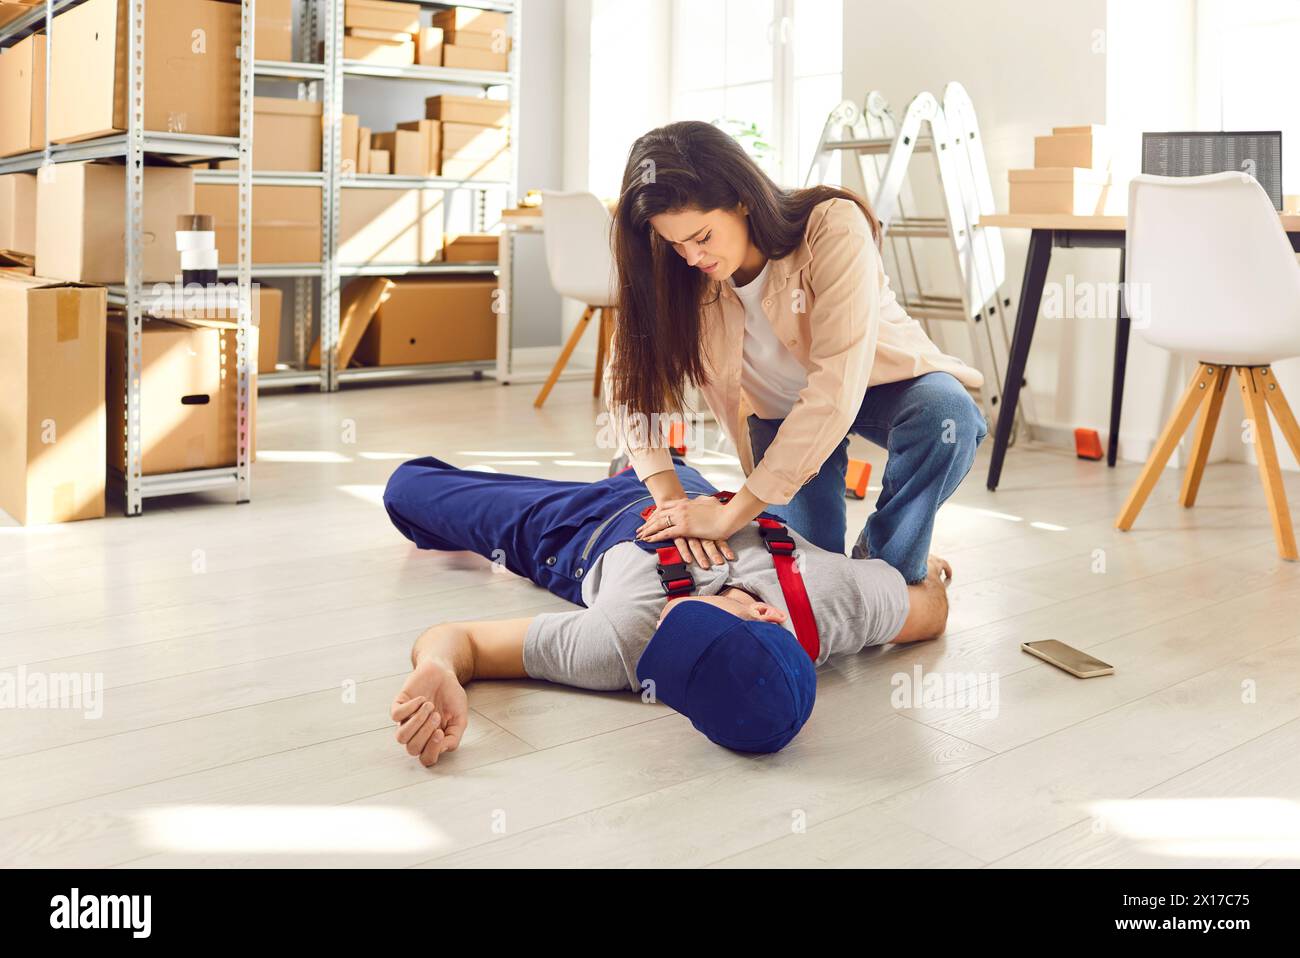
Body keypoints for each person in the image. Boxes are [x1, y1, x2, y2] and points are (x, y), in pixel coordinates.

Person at [604, 120, 988, 586]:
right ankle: (863, 569)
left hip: (872, 387)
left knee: (948, 416)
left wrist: (731, 516)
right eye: (674, 242)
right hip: (779, 418)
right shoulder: (672, 264)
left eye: (702, 237)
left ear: (741, 199)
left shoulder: (832, 225)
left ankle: (889, 564)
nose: (691, 257)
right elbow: (629, 383)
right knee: (811, 564)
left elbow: (834, 388)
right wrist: (669, 503)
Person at [382, 454, 950, 766]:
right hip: (693, 495)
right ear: (768, 618)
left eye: (669, 648)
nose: (661, 625)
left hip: (579, 529)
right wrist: (918, 576)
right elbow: (932, 611)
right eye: (692, 618)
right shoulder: (840, 599)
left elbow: (465, 641)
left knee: (406, 488)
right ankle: (632, 465)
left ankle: (617, 476)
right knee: (663, 452)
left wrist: (435, 666)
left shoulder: (621, 647)